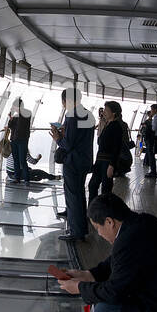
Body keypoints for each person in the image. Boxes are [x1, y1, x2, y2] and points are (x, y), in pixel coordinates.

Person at [52, 88, 96, 242]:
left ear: (68, 100)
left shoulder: (72, 115)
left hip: (73, 161)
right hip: (84, 160)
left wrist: (58, 138)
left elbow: (68, 144)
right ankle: (78, 224)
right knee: (78, 194)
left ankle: (76, 231)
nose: (63, 104)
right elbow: (80, 138)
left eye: (63, 101)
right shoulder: (87, 114)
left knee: (74, 194)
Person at [94, 101, 133, 200]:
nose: (103, 113)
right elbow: (100, 141)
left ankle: (104, 212)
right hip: (101, 160)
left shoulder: (117, 126)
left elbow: (117, 147)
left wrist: (112, 165)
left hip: (107, 161)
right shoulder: (106, 124)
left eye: (106, 110)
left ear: (114, 113)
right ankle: (93, 210)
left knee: (105, 189)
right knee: (93, 186)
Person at [1, 101, 37, 184]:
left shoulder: (27, 113)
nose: (13, 108)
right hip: (14, 140)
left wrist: (16, 112)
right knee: (16, 159)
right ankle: (17, 178)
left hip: (22, 140)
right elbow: (10, 126)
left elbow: (21, 123)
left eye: (15, 106)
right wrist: (11, 118)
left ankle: (26, 179)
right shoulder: (16, 116)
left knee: (22, 160)